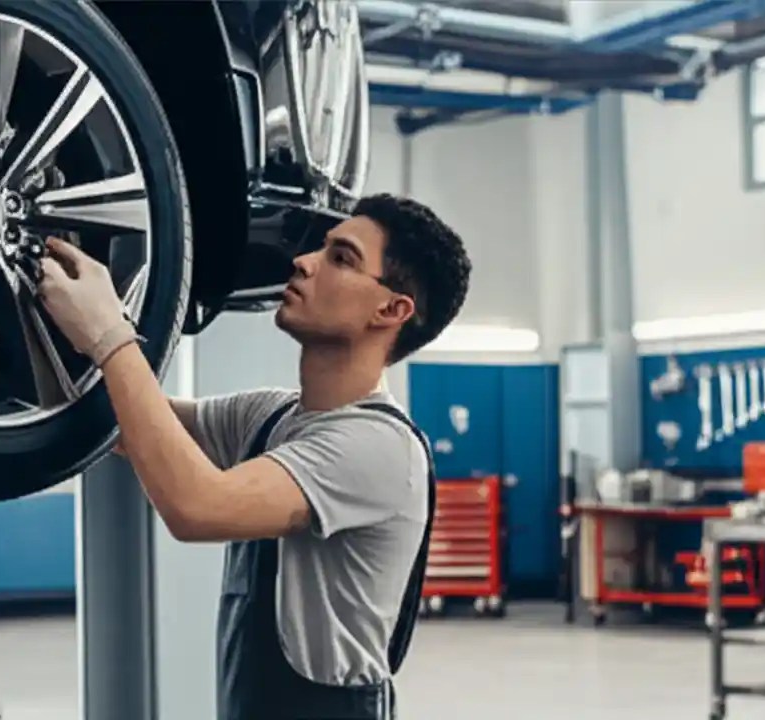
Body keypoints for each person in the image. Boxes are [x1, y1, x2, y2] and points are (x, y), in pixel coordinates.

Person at [37, 192, 472, 720]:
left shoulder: (379, 447)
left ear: (392, 309)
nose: (304, 262)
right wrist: (39, 316)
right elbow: (126, 425)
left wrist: (109, 334)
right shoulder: (271, 417)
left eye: (341, 258)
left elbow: (198, 508)